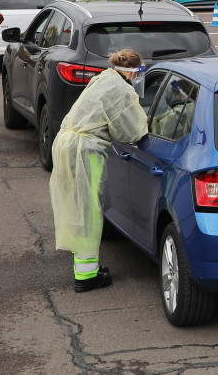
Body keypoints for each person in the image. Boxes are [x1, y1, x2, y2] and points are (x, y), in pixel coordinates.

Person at [48, 48, 149, 292]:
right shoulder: (122, 90)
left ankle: (85, 267)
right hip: (84, 150)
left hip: (65, 143)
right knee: (88, 211)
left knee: (76, 207)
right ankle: (86, 277)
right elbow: (132, 132)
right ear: (134, 71)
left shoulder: (104, 78)